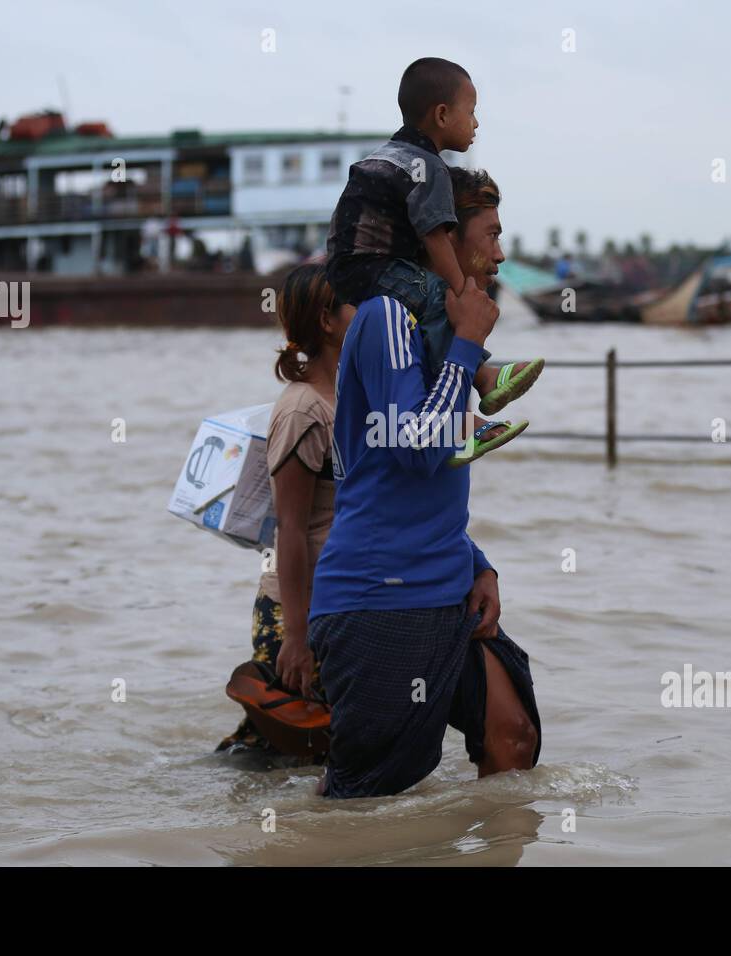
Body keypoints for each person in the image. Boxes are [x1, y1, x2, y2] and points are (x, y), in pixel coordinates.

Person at [308, 166, 541, 798]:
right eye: (488, 236)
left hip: (446, 587)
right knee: (368, 809)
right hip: (379, 602)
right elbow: (417, 449)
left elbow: (425, 480)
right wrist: (468, 344)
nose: (498, 253)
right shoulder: (385, 319)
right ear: (440, 239)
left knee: (512, 738)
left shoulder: (436, 333)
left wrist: (479, 564)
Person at [325, 57, 543, 464]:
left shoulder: (393, 154)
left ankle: (479, 388)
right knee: (441, 297)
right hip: (369, 266)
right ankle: (478, 388)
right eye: (472, 112)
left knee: (436, 307)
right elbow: (435, 236)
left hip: (351, 264)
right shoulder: (428, 170)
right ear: (442, 115)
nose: (476, 123)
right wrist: (462, 293)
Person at [215, 264, 356, 755]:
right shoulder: (302, 410)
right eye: (354, 303)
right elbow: (290, 528)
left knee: (313, 748)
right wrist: (296, 637)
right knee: (284, 747)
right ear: (327, 320)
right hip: (296, 609)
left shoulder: (349, 398)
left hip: (335, 601)